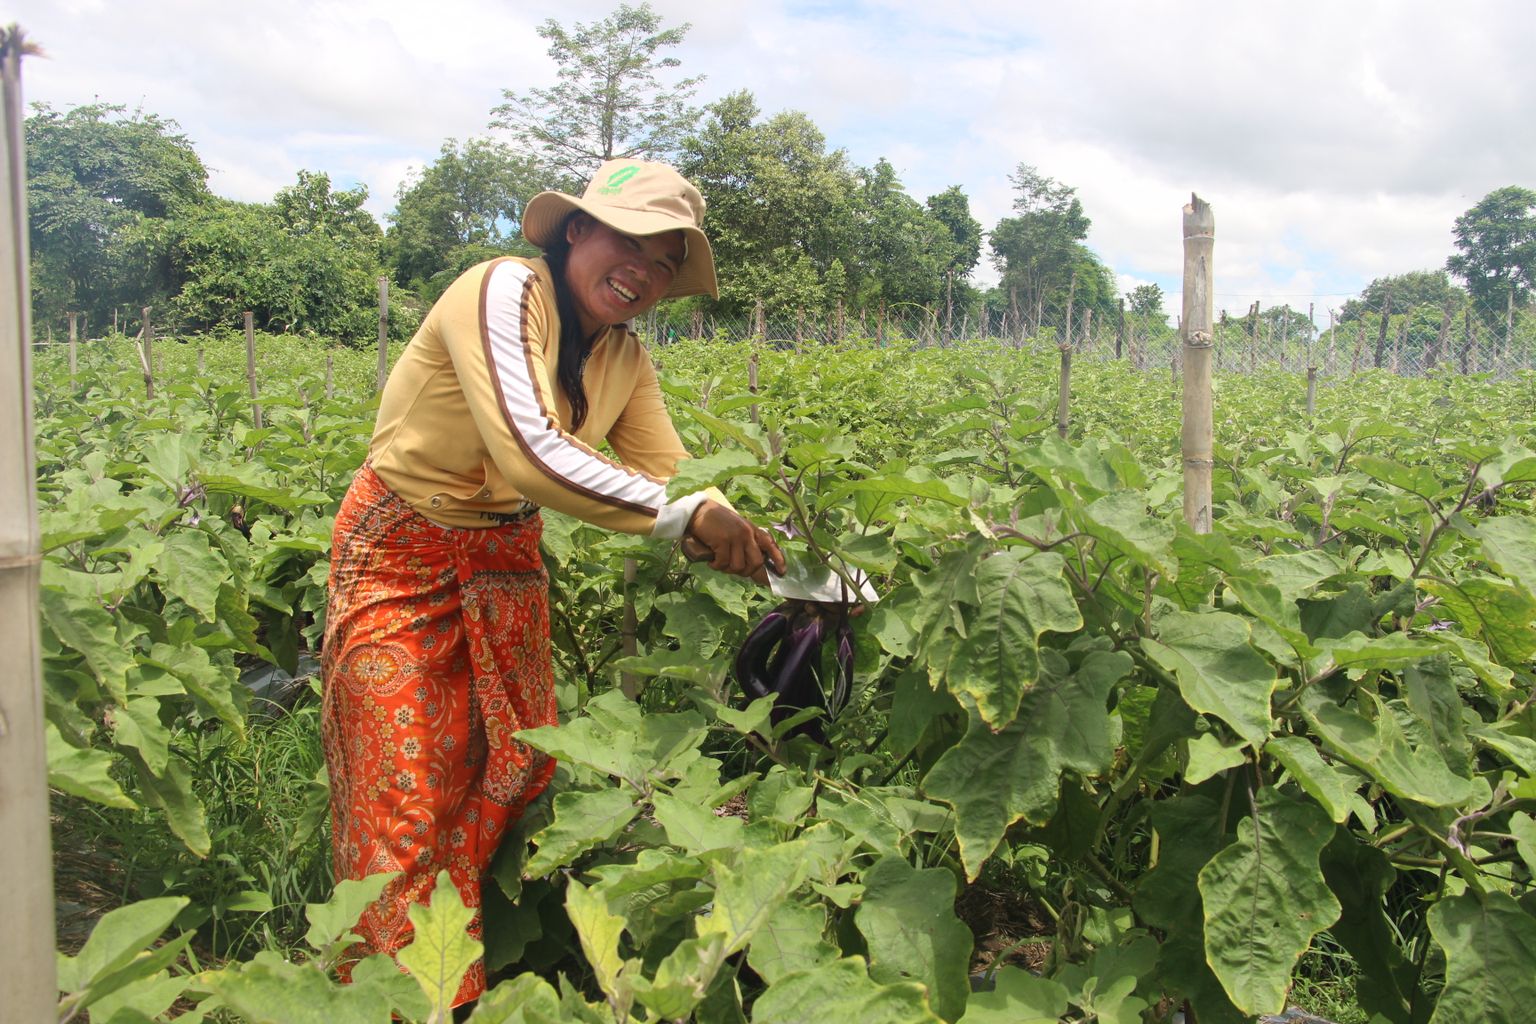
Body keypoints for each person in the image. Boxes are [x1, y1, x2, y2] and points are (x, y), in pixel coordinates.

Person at [320, 160, 783, 1007]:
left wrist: (772, 543)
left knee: (515, 761)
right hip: (401, 548)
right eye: (629, 240)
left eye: (665, 258)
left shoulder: (623, 356)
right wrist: (690, 520)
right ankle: (388, 996)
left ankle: (454, 959)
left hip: (503, 560)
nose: (643, 269)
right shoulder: (500, 292)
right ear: (576, 230)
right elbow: (530, 454)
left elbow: (676, 473)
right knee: (405, 787)